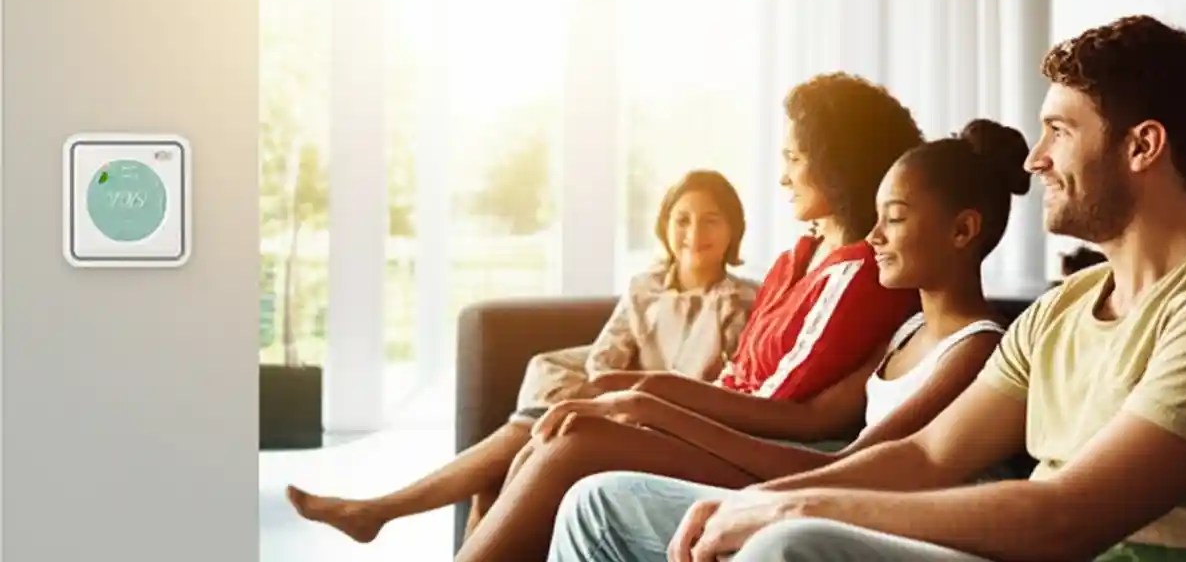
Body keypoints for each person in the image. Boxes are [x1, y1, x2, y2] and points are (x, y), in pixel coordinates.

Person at [553, 14, 1186, 562]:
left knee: (791, 549)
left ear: (1143, 146)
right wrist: (761, 501)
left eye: (1059, 131)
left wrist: (792, 514)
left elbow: (1068, 518)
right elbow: (929, 456)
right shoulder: (1057, 313)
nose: (1034, 159)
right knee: (605, 502)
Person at [449, 73, 930, 561]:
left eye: (795, 159)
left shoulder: (863, 272)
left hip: (760, 452)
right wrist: (649, 401)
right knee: (543, 440)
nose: (783, 176)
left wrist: (651, 399)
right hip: (731, 432)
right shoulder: (797, 258)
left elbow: (788, 408)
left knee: (573, 441)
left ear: (837, 164)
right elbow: (737, 374)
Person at [544, 117, 1034, 562]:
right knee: (592, 498)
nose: (874, 235)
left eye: (896, 217)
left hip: (888, 527)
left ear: (963, 230)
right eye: (876, 217)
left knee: (599, 506)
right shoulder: (907, 332)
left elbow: (852, 465)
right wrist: (649, 397)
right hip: (832, 489)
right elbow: (818, 424)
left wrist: (656, 411)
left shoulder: (975, 350)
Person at [284, 169, 760, 542]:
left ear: (733, 229)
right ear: (664, 226)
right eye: (682, 218)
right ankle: (375, 513)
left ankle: (377, 511)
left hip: (666, 425)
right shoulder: (645, 288)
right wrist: (614, 395)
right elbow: (603, 359)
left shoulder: (740, 301)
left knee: (505, 466)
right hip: (614, 407)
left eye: (710, 219)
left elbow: (723, 387)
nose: (694, 232)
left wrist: (637, 403)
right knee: (502, 469)